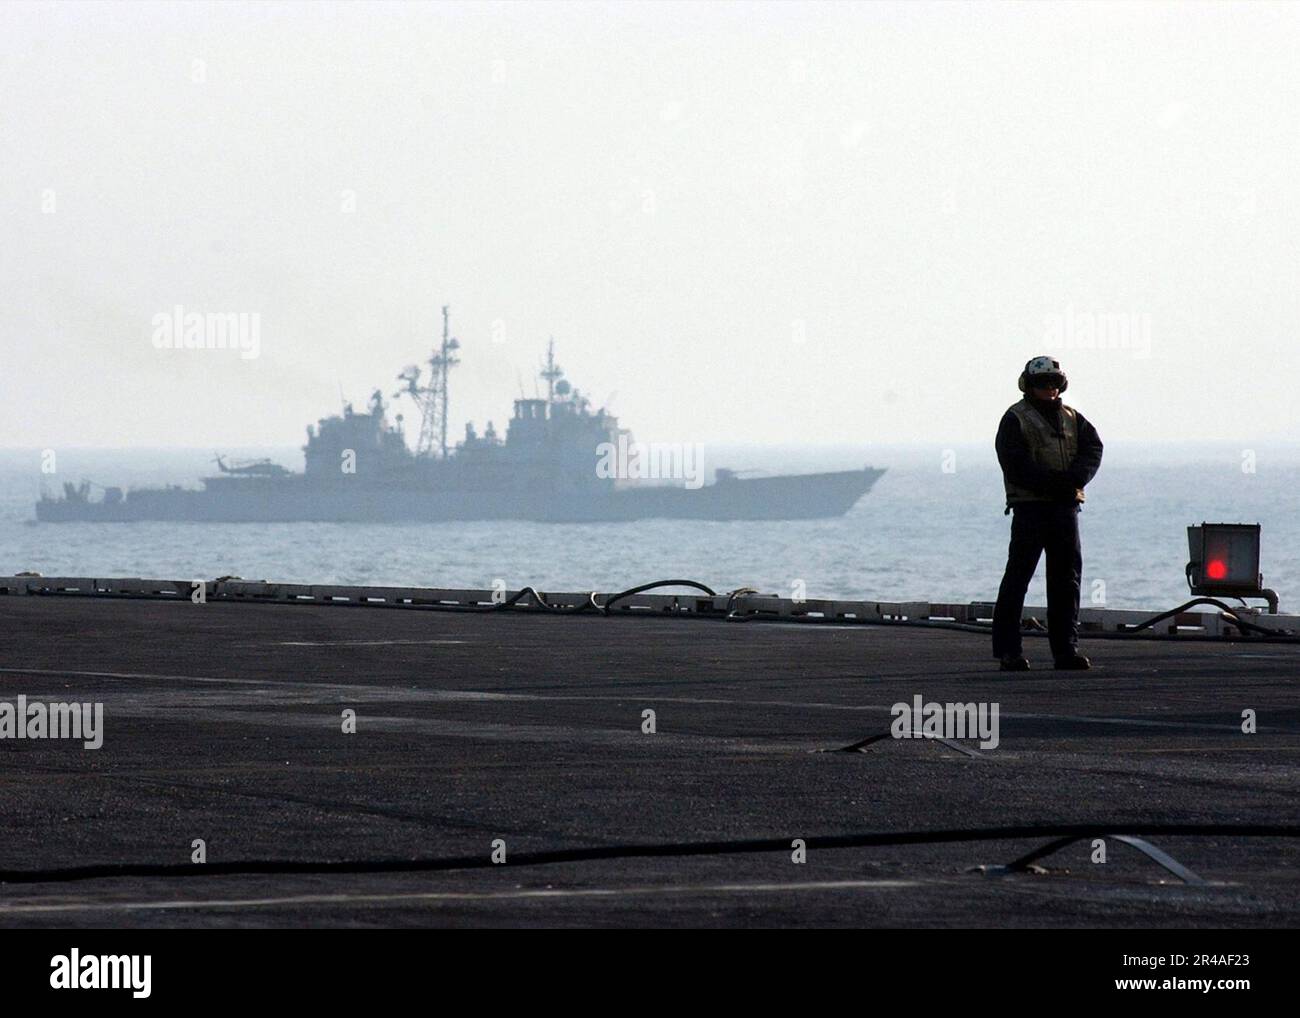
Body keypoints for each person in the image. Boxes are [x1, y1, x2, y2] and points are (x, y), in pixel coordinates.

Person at [992, 356, 1103, 671]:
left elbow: (1093, 449)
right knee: (1018, 578)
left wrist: (1074, 479)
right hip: (1030, 508)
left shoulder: (1072, 418)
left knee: (1066, 580)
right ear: (1030, 385)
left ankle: (1065, 650)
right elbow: (1014, 462)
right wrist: (1056, 484)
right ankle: (1008, 651)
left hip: (1065, 508)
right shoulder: (1015, 419)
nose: (1049, 388)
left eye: (1054, 382)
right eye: (1042, 383)